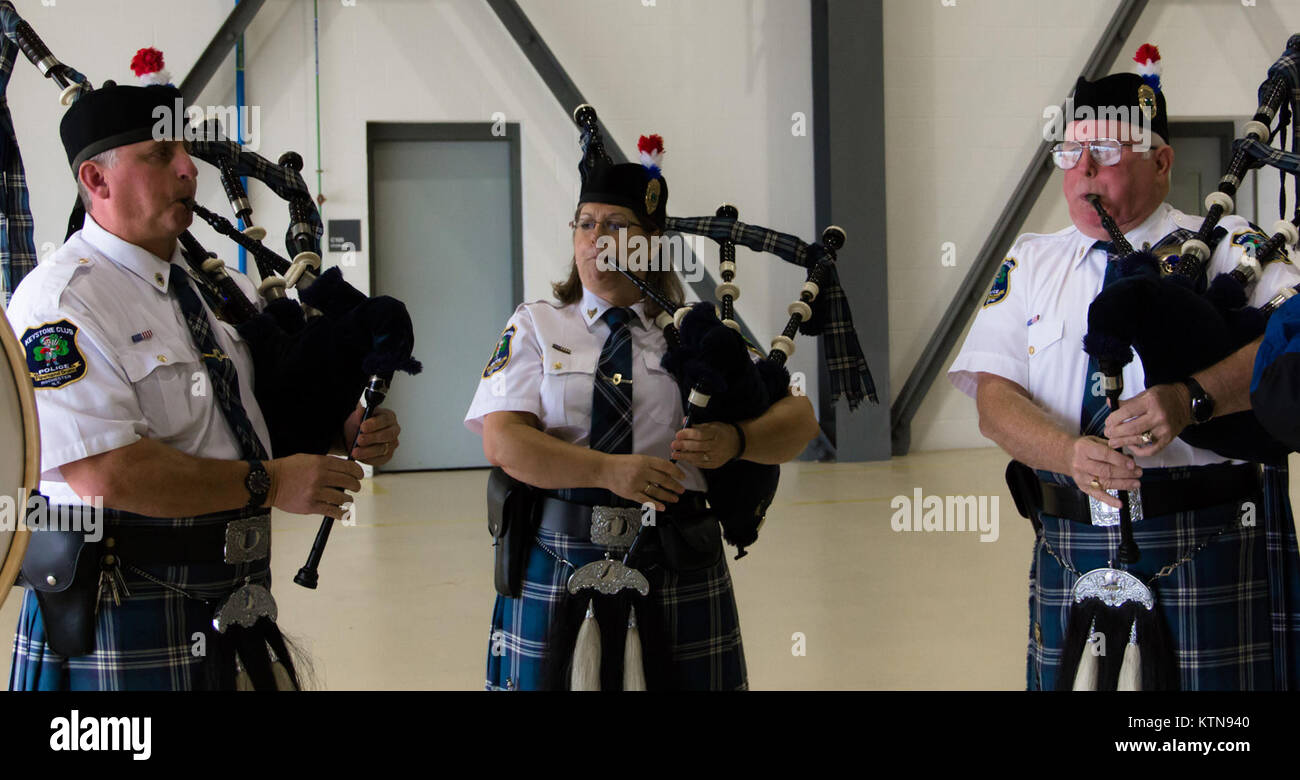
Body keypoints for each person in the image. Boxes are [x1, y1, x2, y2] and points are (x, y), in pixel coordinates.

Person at [7, 73, 400, 690]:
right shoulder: (59, 305)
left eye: (185, 152)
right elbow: (103, 472)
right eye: (161, 154)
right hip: (125, 603)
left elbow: (250, 415)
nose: (188, 169)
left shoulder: (223, 289)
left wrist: (340, 427)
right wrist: (269, 483)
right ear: (96, 180)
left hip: (235, 595)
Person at [949, 56, 1300, 690]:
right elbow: (995, 402)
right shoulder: (1030, 262)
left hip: (1207, 539)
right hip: (1068, 539)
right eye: (1071, 153)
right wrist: (1067, 452)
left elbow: (1290, 349)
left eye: (1106, 153)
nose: (1083, 172)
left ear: (1161, 163)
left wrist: (1194, 398)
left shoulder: (1234, 248)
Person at [464, 134, 819, 690]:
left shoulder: (694, 333)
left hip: (674, 559)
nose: (596, 239)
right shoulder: (536, 325)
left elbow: (799, 421)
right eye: (585, 223)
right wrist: (607, 471)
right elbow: (503, 442)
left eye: (616, 225)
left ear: (652, 245)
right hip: (557, 559)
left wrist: (735, 440)